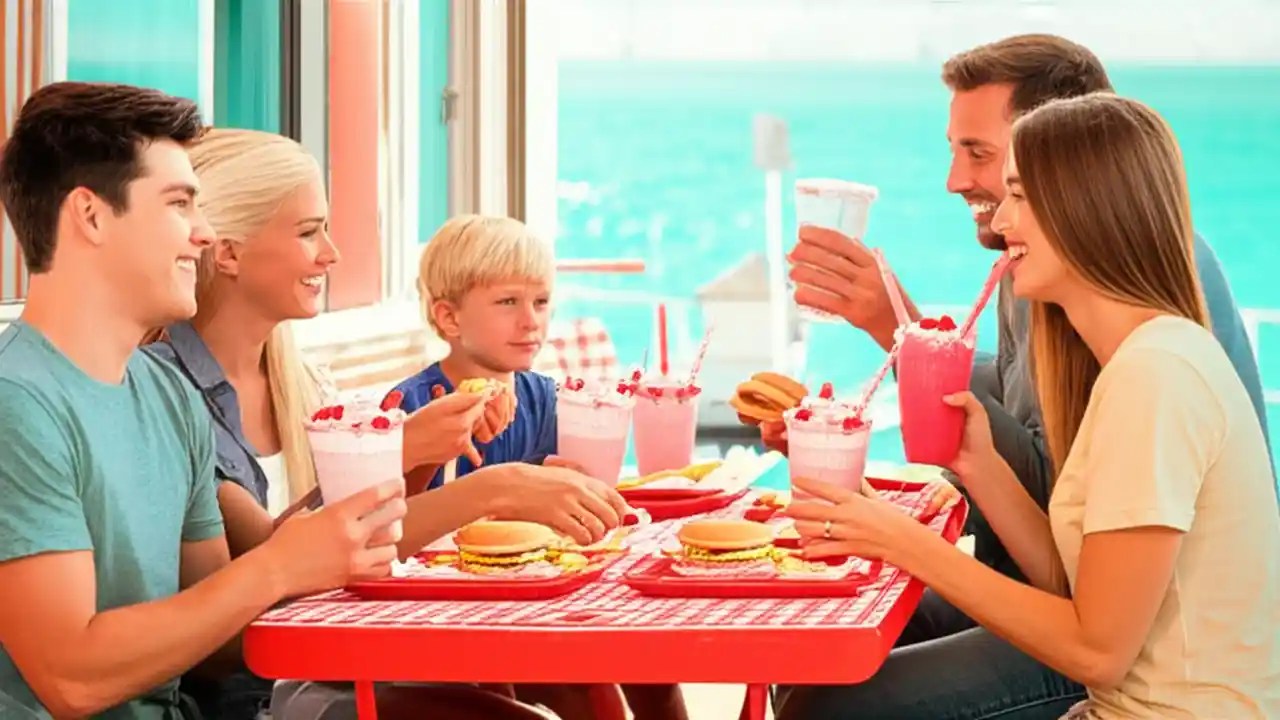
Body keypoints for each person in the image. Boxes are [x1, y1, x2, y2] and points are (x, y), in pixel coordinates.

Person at [773, 34, 1271, 717]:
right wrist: (978, 465)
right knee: (811, 655)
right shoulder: (1128, 350)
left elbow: (1098, 649)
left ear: (1083, 200)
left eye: (1014, 190)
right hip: (1114, 672)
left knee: (829, 706)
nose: (998, 217)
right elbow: (1073, 574)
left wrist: (908, 542)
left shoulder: (1155, 373)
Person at [146, 128, 632, 718]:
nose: (332, 253)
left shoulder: (300, 382)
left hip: (338, 655)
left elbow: (344, 539)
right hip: (262, 691)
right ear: (227, 253)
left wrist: (423, 450)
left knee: (585, 682)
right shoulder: (168, 395)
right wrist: (486, 490)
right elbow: (282, 560)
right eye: (308, 232)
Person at [0, 82, 407, 719]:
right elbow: (70, 678)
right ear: (91, 215)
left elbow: (208, 644)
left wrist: (328, 569)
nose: (205, 234)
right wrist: (276, 566)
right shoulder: (16, 404)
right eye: (180, 204)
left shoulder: (169, 398)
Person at [388, 214, 689, 720]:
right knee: (576, 692)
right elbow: (389, 528)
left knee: (645, 675)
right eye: (508, 302)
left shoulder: (549, 400)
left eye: (541, 302)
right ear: (449, 318)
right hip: (436, 620)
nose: (532, 321)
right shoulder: (415, 407)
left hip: (536, 601)